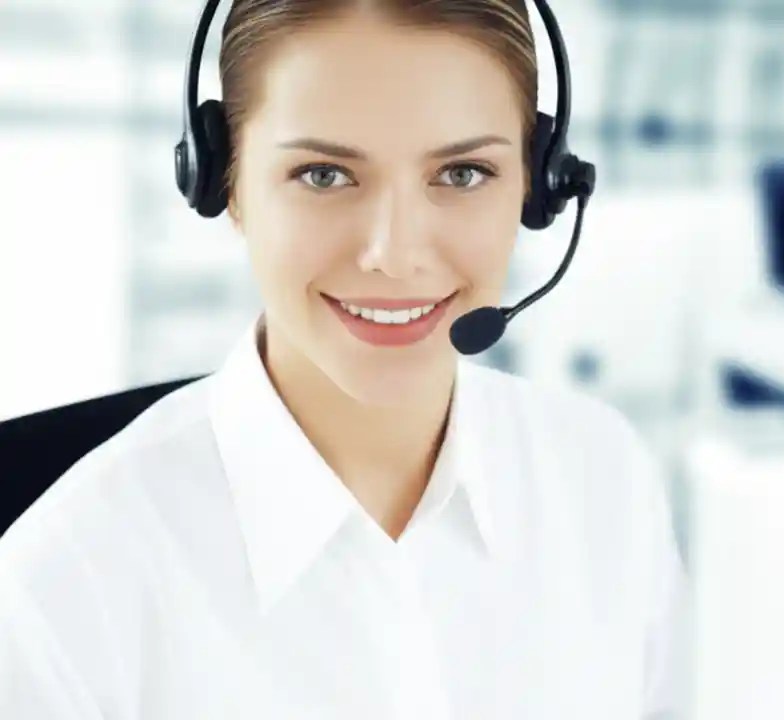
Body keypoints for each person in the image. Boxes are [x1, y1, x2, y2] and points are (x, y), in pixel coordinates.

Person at [0, 1, 690, 718]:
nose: (393, 254)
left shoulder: (604, 484)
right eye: (324, 175)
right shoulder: (68, 589)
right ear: (223, 183)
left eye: (461, 174)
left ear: (538, 186)